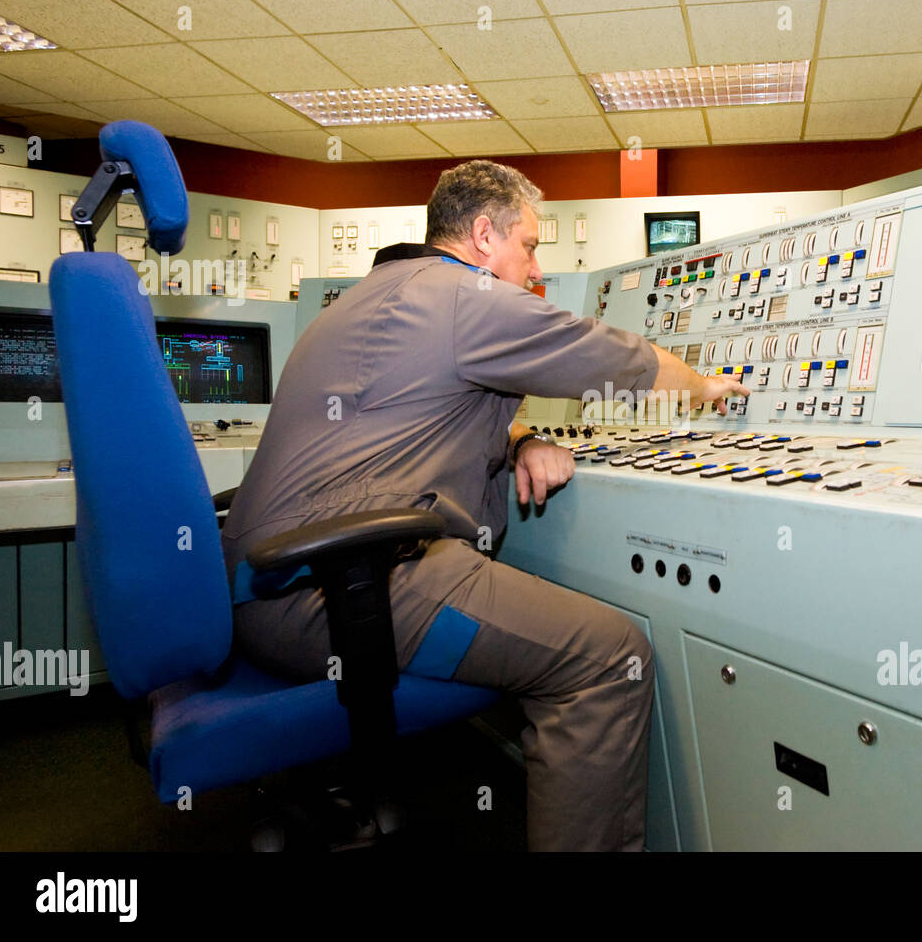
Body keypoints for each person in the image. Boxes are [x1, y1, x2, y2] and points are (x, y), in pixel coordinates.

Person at [221, 159, 748, 851]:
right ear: (481, 235)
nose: (534, 270)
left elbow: (421, 407)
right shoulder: (463, 295)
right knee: (608, 659)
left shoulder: (371, 296)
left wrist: (523, 436)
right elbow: (609, 359)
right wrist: (704, 386)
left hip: (269, 588)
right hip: (336, 595)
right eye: (529, 246)